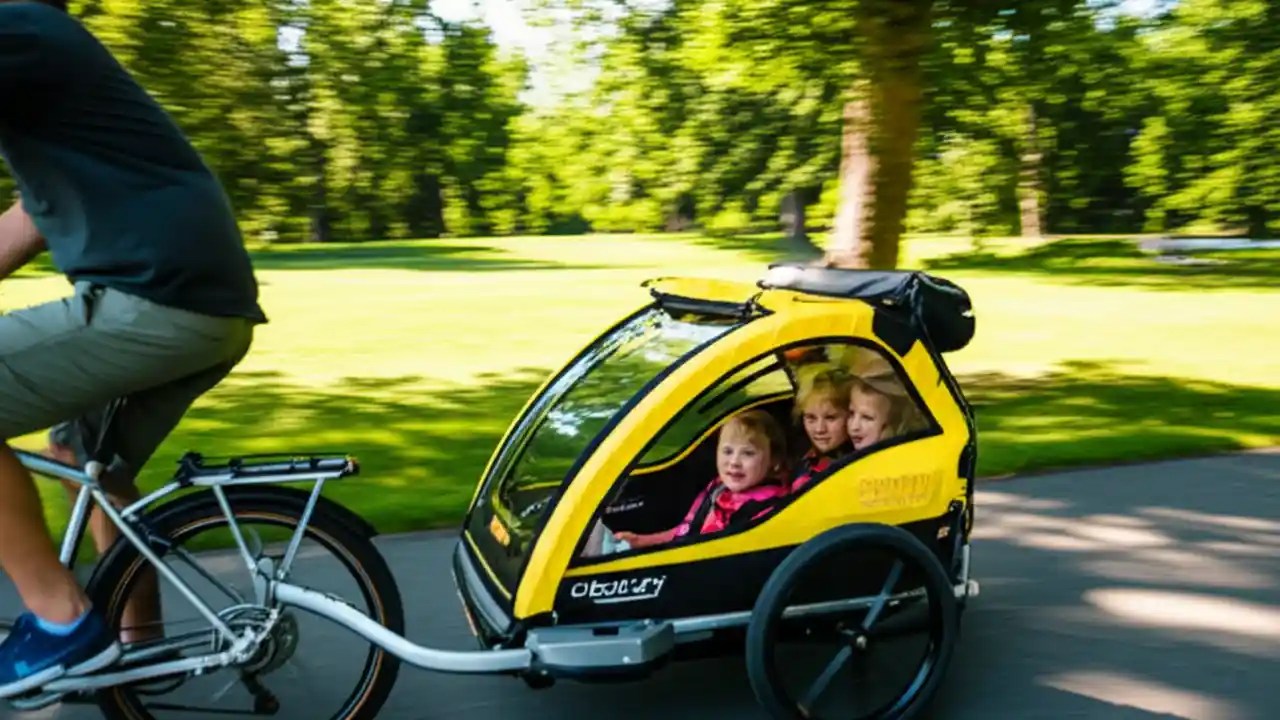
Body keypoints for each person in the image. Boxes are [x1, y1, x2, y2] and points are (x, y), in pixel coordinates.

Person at [0, 0, 267, 698]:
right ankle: (138, 649)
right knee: (83, 457)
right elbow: (30, 217)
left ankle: (61, 624)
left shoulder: (19, 27)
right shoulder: (46, 62)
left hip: (159, 301)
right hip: (200, 304)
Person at [613, 409, 789, 550]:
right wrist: (641, 541)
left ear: (773, 459)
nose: (734, 462)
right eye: (727, 451)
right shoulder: (718, 487)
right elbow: (687, 530)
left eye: (748, 453)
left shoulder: (769, 509)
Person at [789, 363, 854, 491]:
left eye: (831, 418)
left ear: (851, 414)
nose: (819, 429)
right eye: (810, 418)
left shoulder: (855, 464)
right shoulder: (805, 459)